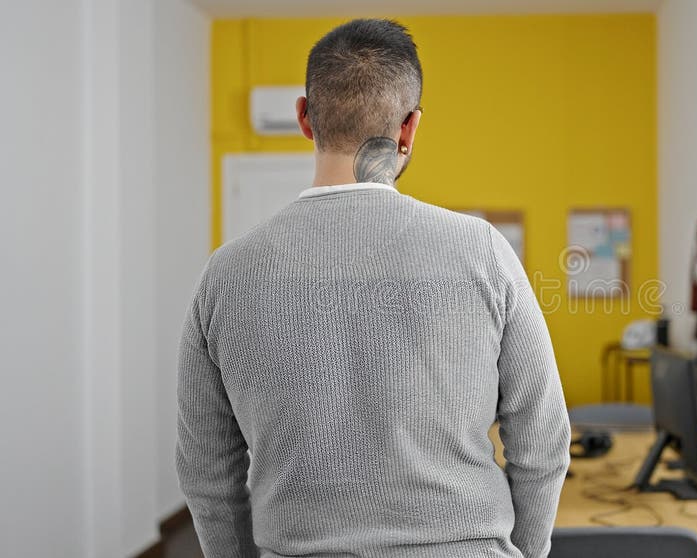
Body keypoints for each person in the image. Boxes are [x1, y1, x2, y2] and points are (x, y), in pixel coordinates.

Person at [176, 18, 570, 558]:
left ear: (304, 118)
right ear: (409, 129)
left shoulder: (225, 276)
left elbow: (206, 472)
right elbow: (543, 440)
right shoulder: (482, 251)